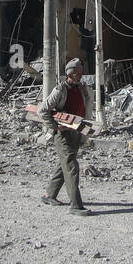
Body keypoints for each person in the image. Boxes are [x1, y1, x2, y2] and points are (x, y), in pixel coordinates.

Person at [39, 58, 92, 215]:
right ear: (70, 74)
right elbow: (42, 110)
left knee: (65, 165)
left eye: (81, 72)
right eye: (78, 73)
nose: (80, 75)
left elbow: (86, 107)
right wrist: (54, 127)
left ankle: (49, 194)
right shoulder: (60, 90)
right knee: (71, 168)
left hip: (77, 132)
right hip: (63, 135)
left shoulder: (82, 88)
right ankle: (76, 206)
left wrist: (85, 132)